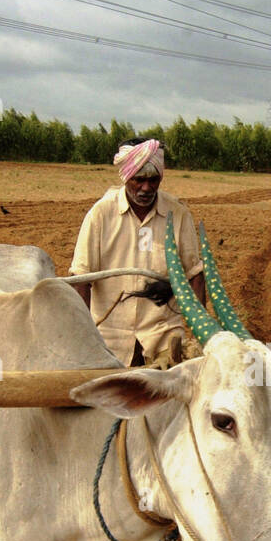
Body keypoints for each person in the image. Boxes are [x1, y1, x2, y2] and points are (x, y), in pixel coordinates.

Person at [69, 136, 206, 367]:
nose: (146, 188)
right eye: (139, 180)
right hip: (109, 342)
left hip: (163, 340)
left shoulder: (178, 214)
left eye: (153, 180)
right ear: (126, 176)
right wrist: (85, 339)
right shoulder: (100, 215)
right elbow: (81, 279)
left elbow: (195, 275)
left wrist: (199, 336)